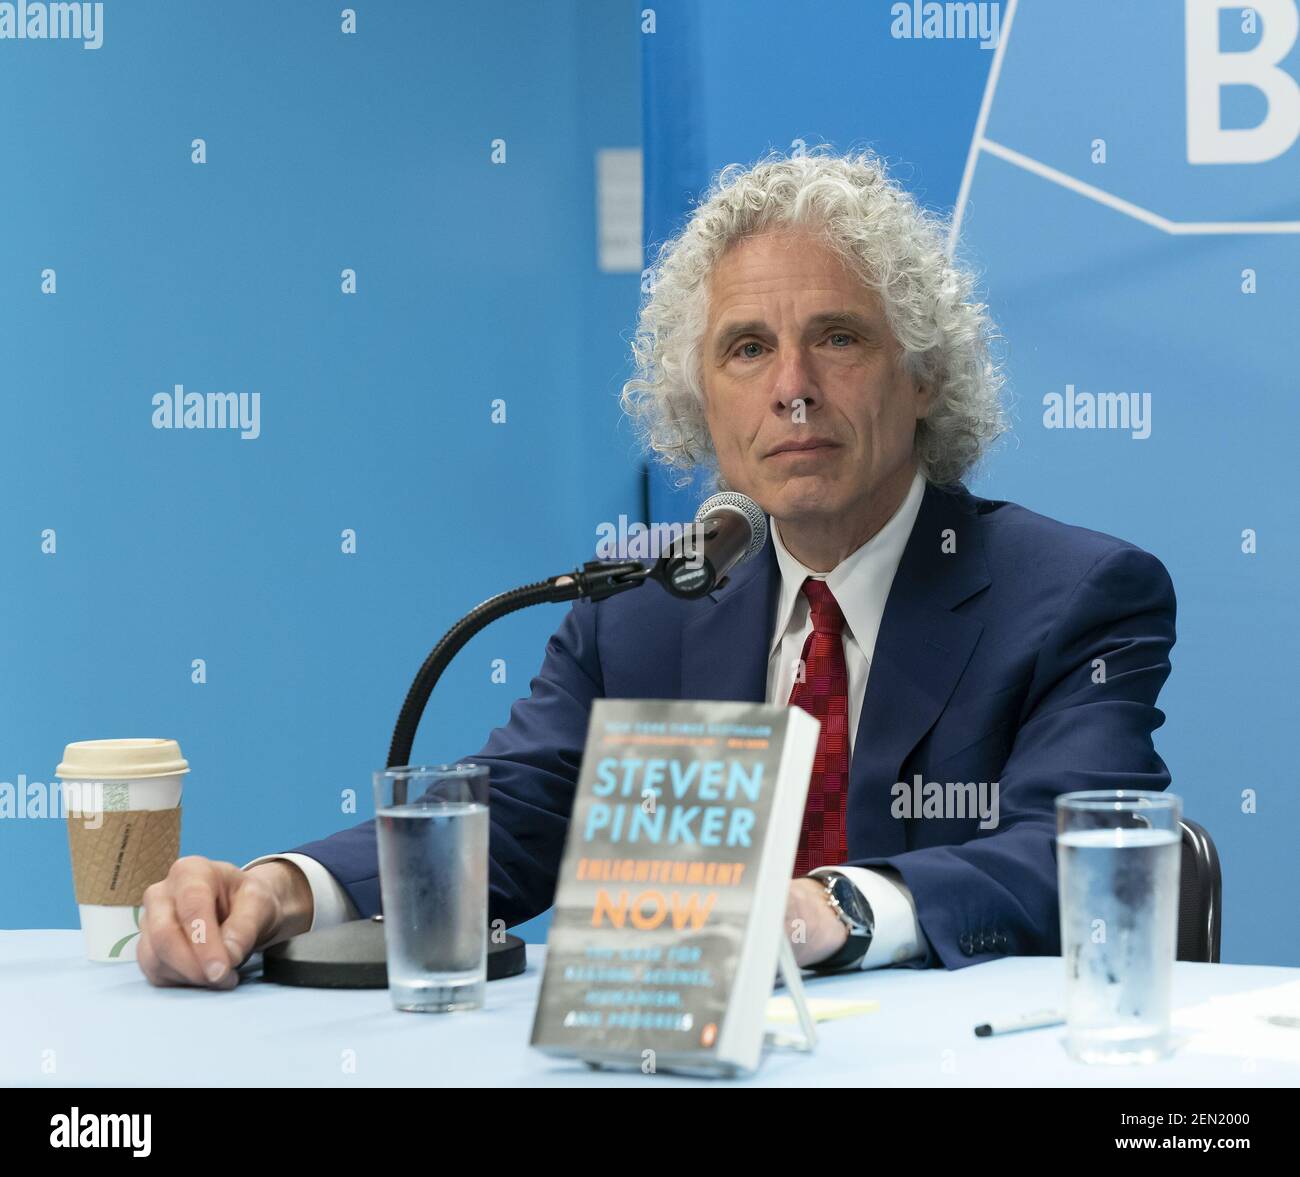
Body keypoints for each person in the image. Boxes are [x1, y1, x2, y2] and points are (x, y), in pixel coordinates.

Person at [137, 149, 1176, 990]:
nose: (794, 389)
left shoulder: (1072, 596)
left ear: (923, 378)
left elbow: (1077, 855)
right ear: (700, 405)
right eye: (746, 350)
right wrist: (285, 886)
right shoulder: (643, 606)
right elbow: (513, 816)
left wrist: (831, 909)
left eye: (839, 337)